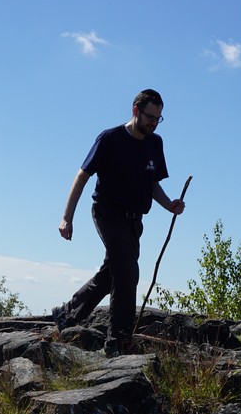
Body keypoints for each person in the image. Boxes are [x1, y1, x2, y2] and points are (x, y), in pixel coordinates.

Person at [52, 88, 185, 356]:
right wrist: (67, 217)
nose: (154, 122)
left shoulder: (154, 143)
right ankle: (118, 341)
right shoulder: (110, 138)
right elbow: (82, 176)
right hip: (106, 213)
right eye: (150, 116)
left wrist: (169, 204)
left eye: (159, 118)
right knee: (127, 272)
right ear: (135, 111)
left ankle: (66, 315)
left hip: (134, 221)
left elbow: (153, 185)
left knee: (111, 273)